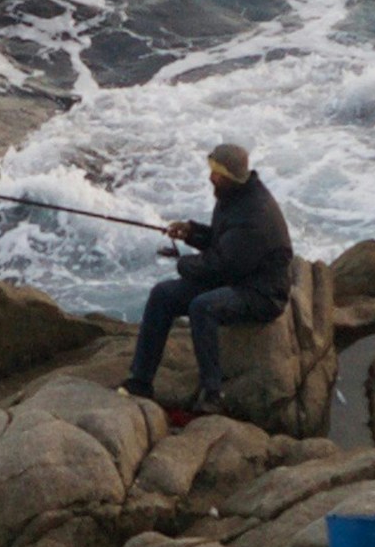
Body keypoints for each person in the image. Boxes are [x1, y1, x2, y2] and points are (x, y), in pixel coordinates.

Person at [124, 141, 294, 418]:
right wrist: (191, 232)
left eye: (217, 172)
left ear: (232, 177)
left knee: (203, 307)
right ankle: (140, 381)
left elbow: (222, 266)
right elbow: (223, 242)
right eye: (211, 169)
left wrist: (183, 264)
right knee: (162, 295)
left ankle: (213, 393)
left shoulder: (255, 215)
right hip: (239, 276)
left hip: (261, 292)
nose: (211, 177)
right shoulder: (233, 196)